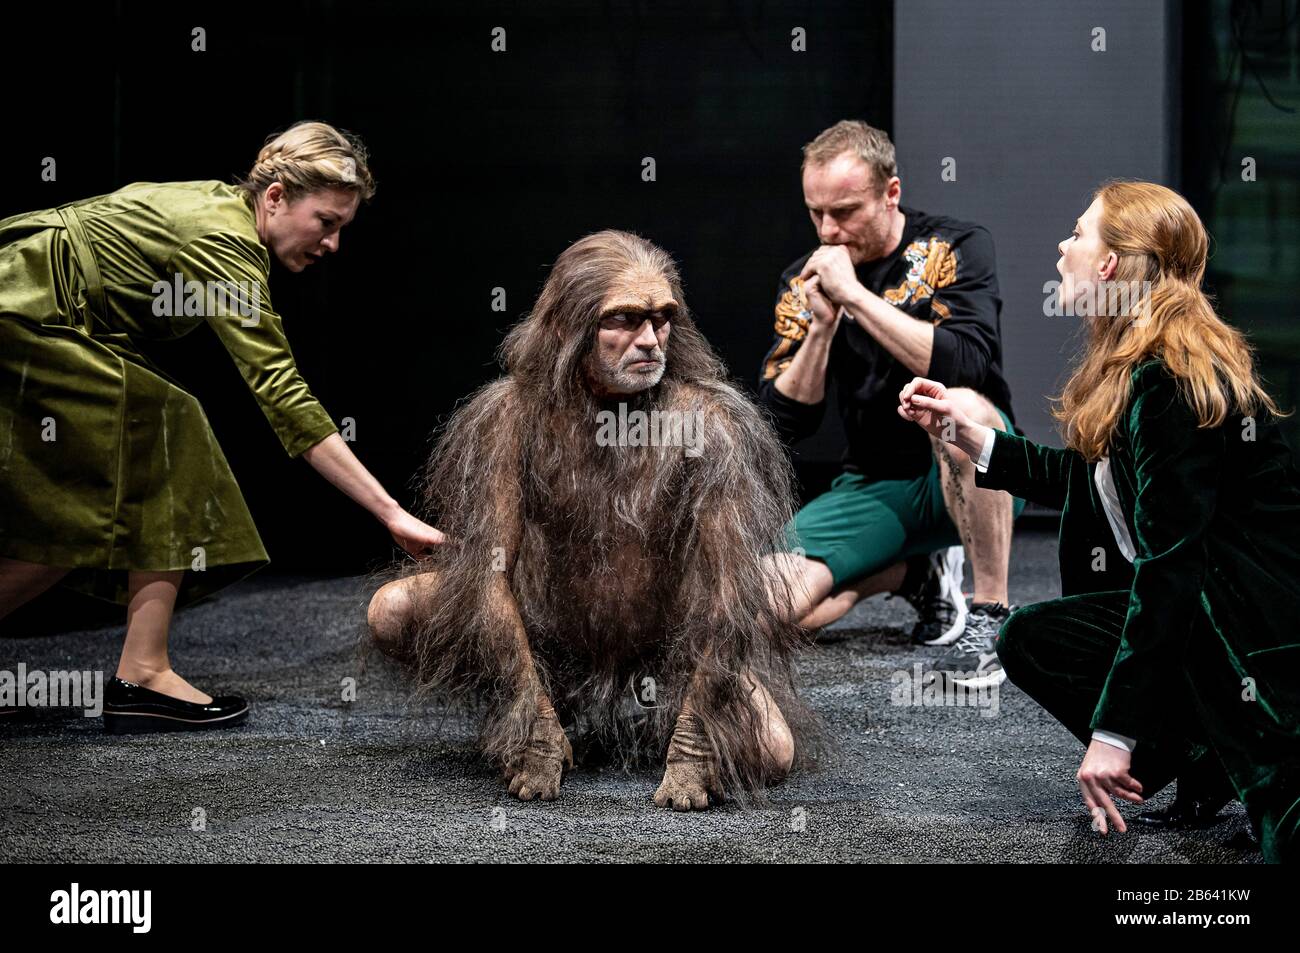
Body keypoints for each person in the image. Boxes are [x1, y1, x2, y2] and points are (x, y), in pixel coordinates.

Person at [900, 180, 1300, 863]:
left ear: (1112, 264)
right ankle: (1199, 753)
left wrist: (1114, 733)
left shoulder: (1167, 377)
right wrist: (968, 435)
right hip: (1207, 612)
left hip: (1248, 637)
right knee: (1033, 635)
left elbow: (1172, 566)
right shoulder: (1138, 362)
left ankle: (1233, 754)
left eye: (1079, 233)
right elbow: (1090, 480)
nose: (1064, 245)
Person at [0, 121, 442, 731]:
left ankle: (143, 672)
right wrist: (390, 512)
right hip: (22, 311)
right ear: (277, 196)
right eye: (327, 222)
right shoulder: (223, 245)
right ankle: (145, 673)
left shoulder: (214, 205)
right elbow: (283, 395)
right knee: (166, 420)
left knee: (77, 516)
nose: (333, 245)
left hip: (30, 309)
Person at [366, 230, 819, 809]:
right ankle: (543, 705)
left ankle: (662, 716)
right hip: (545, 632)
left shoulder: (707, 422)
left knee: (769, 753)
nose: (650, 340)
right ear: (567, 327)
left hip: (665, 649)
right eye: (625, 320)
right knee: (394, 610)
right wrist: (529, 711)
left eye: (661, 319)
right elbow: (487, 576)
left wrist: (695, 736)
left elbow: (731, 594)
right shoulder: (510, 416)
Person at [759, 120, 1026, 688]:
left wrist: (855, 295)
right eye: (816, 213)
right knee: (765, 611)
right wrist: (823, 328)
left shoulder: (954, 247)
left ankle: (991, 613)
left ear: (891, 194)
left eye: (846, 211)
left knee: (958, 409)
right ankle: (911, 576)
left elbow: (966, 363)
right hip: (874, 485)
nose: (829, 232)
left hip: (979, 470)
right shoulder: (803, 282)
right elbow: (784, 424)